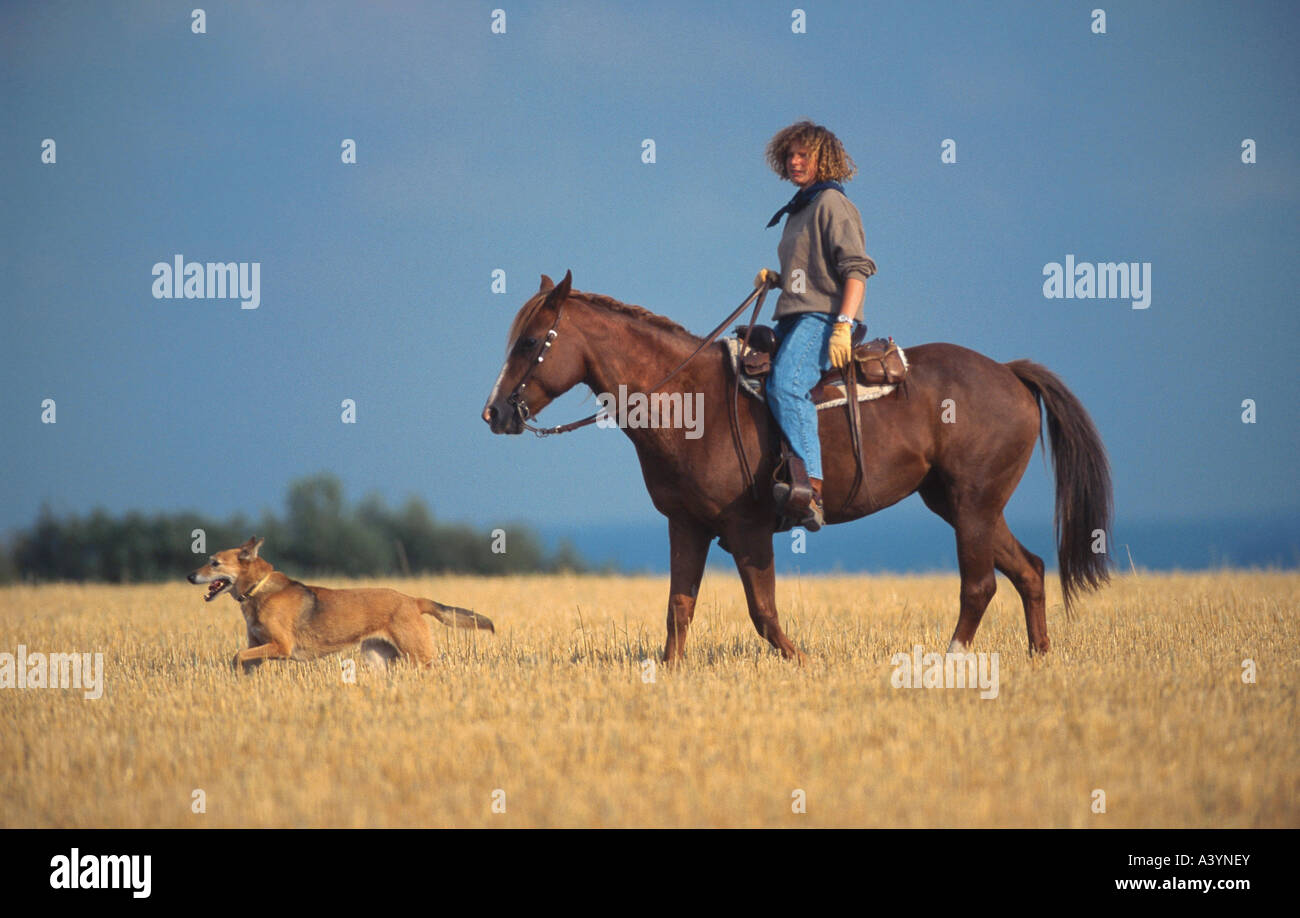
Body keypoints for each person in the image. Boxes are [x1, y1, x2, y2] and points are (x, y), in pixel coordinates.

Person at [756, 120, 877, 530]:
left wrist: (843, 324)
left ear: (822, 159)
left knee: (787, 383)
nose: (794, 161)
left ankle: (811, 492)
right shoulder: (798, 208)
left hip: (822, 316)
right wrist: (778, 278)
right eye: (789, 155)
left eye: (802, 155)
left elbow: (856, 269)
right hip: (794, 313)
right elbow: (811, 269)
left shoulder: (830, 203)